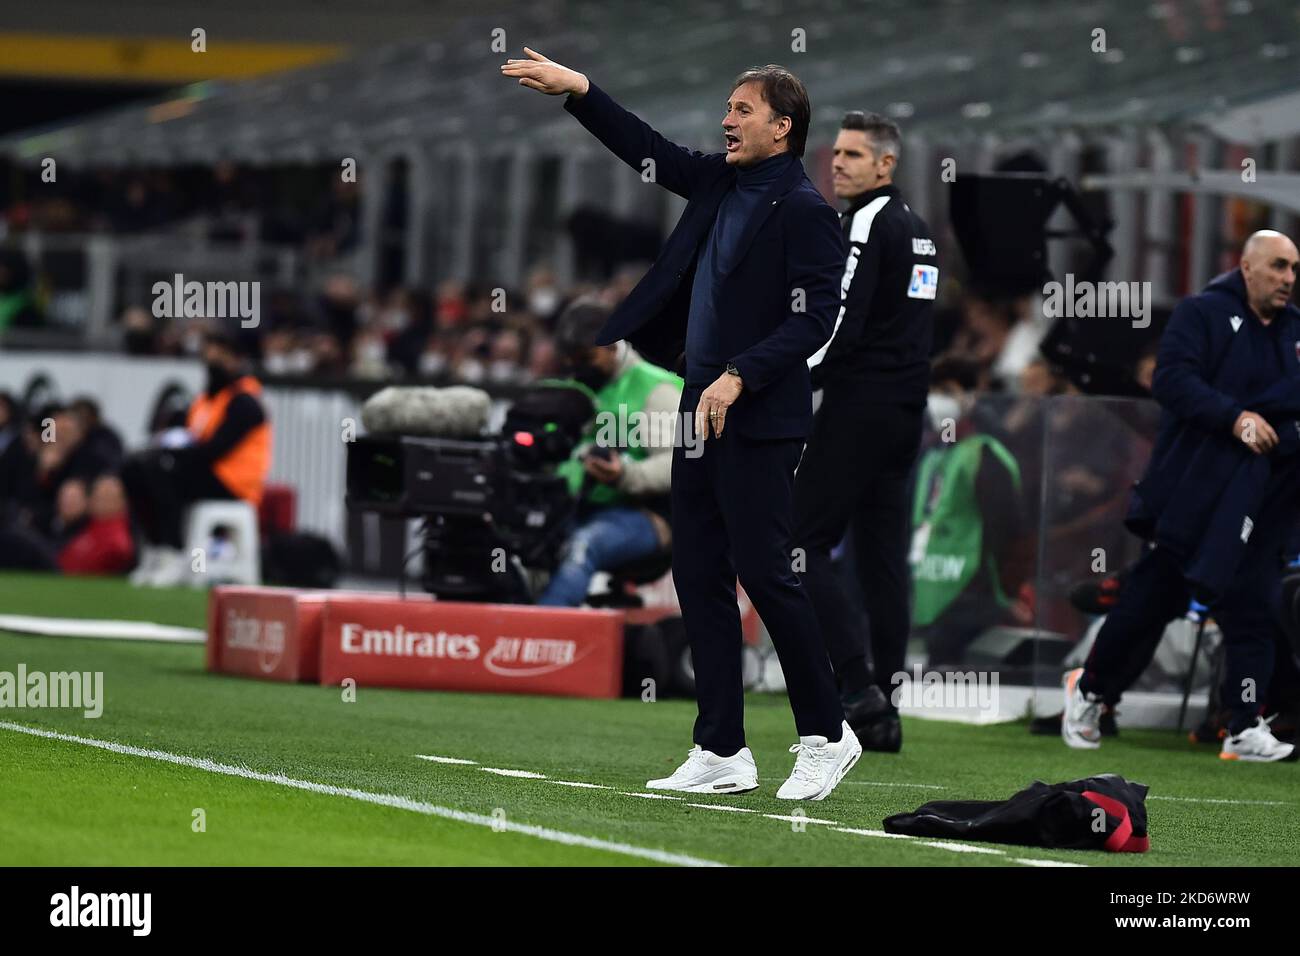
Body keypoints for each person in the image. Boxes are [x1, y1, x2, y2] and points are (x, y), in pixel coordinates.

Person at [503, 49, 860, 799]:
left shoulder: (805, 212)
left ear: (783, 127)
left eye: (742, 110)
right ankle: (722, 748)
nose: (726, 120)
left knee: (766, 572)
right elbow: (648, 151)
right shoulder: (719, 181)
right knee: (697, 572)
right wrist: (580, 91)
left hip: (757, 417)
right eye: (728, 108)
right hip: (701, 408)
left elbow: (817, 321)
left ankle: (827, 733)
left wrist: (740, 374)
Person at [1063, 230, 1300, 762]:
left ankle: (1242, 722)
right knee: (1152, 600)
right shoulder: (1202, 315)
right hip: (1199, 493)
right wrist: (1234, 415)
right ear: (1246, 267)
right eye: (1279, 267)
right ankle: (1090, 692)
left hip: (1264, 501)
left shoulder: (1294, 333)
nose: (1288, 279)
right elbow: (1171, 381)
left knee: (1254, 608)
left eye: (1293, 270)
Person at [793, 111, 937, 751]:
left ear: (886, 165)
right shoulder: (919, 229)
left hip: (860, 409)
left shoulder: (869, 221)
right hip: (905, 413)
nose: (838, 163)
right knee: (883, 561)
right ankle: (884, 712)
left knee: (799, 542)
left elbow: (839, 322)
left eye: (854, 154)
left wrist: (780, 381)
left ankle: (856, 685)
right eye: (837, 152)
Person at [540, 299, 680, 606]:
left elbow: (678, 465)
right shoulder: (577, 386)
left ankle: (540, 639)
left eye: (585, 357)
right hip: (577, 506)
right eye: (570, 360)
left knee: (583, 545)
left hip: (649, 516)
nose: (577, 367)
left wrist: (625, 475)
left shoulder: (657, 390)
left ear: (612, 345)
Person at [121, 330, 272, 587]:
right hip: (207, 471)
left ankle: (174, 551)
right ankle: (156, 548)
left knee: (162, 471)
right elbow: (192, 439)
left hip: (233, 483)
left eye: (220, 356)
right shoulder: (206, 400)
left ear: (236, 360)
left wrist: (173, 454)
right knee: (135, 468)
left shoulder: (246, 402)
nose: (212, 362)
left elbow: (215, 450)